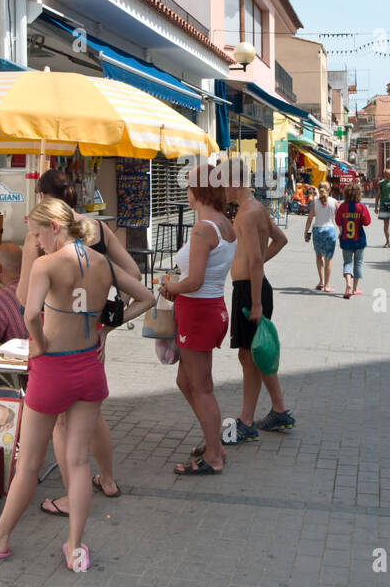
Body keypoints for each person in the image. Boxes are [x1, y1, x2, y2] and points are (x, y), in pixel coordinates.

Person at [0, 199, 154, 570]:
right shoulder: (101, 263)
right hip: (88, 368)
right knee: (78, 462)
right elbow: (147, 296)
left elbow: (30, 312)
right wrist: (108, 327)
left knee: (30, 463)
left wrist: (38, 342)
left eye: (37, 234)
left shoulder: (46, 264)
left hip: (51, 370)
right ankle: (75, 547)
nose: (37, 242)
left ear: (54, 226)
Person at [18, 169, 141, 511]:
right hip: (92, 338)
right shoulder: (98, 228)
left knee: (60, 419)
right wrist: (107, 322)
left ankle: (73, 495)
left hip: (56, 340)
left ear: (44, 200)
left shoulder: (39, 239)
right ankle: (108, 477)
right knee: (91, 413)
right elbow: (134, 275)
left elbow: (24, 296)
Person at [159, 164, 237, 475]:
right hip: (211, 307)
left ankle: (215, 455)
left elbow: (194, 281)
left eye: (189, 187)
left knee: (201, 386)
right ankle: (212, 441)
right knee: (186, 380)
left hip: (198, 310)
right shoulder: (224, 224)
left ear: (198, 191)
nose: (186, 193)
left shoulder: (204, 228)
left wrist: (170, 288)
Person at [226, 163, 292, 444]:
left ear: (235, 182)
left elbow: (254, 259)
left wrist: (255, 302)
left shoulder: (247, 213)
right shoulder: (256, 209)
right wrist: (257, 266)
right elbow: (280, 239)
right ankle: (278, 410)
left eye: (223, 182)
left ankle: (247, 421)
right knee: (252, 355)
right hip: (252, 287)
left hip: (250, 291)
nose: (221, 189)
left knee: (250, 357)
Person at [336, 182, 371, 297]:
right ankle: (355, 288)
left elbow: (338, 221)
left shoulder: (342, 206)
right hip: (359, 239)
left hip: (346, 239)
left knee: (347, 262)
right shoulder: (361, 207)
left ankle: (348, 283)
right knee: (358, 263)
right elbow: (367, 222)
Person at [304, 181, 339, 292]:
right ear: (329, 190)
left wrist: (306, 231)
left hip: (317, 231)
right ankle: (327, 286)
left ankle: (321, 281)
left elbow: (310, 218)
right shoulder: (335, 202)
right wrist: (342, 232)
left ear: (319, 189)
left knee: (319, 257)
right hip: (330, 230)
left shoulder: (314, 201)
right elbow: (339, 220)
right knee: (328, 259)